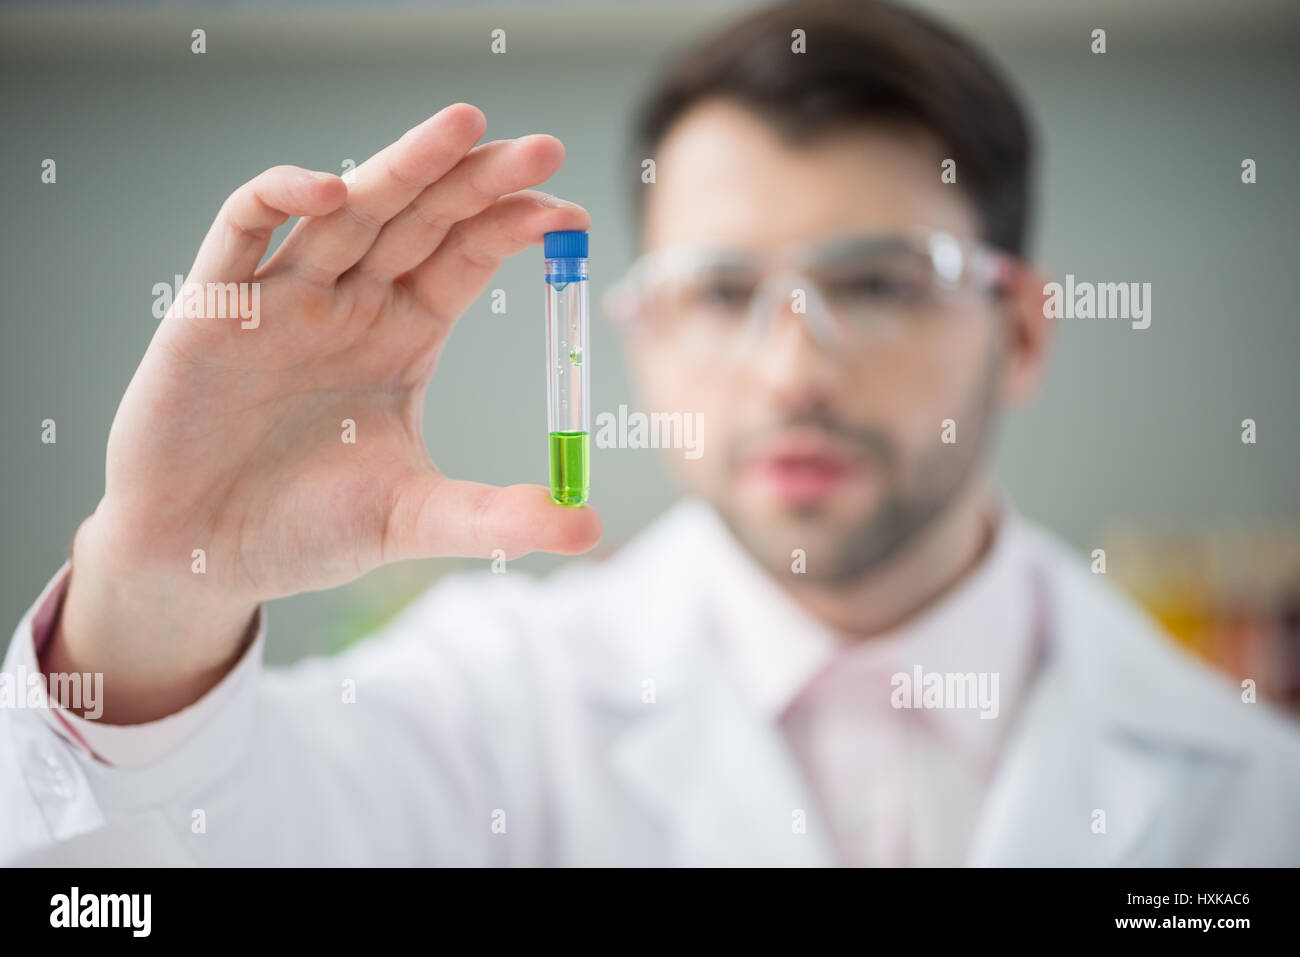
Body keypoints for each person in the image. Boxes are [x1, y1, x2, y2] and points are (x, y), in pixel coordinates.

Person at [3, 0, 1297, 867]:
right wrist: (156, 591)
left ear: (1019, 332)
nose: (793, 370)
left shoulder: (1253, 783)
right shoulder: (492, 708)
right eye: (722, 294)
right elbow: (130, 871)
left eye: (878, 283)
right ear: (634, 335)